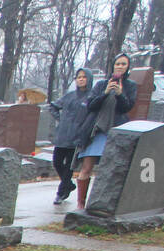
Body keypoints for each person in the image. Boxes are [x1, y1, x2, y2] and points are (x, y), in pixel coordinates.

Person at [73, 54, 137, 210]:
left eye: (123, 64)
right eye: (118, 64)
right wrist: (106, 92)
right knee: (86, 168)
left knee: (110, 170)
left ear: (128, 67)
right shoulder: (101, 84)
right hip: (96, 131)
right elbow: (91, 105)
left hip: (116, 132)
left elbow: (127, 108)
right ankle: (81, 203)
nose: (120, 66)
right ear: (113, 65)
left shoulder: (130, 86)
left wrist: (121, 94)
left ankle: (102, 203)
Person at [50, 69, 93, 204]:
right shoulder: (69, 95)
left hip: (77, 137)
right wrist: (61, 119)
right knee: (57, 162)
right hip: (62, 135)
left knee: (69, 166)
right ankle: (68, 184)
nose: (80, 79)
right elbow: (53, 107)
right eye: (78, 77)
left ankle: (61, 193)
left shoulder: (91, 97)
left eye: (84, 77)